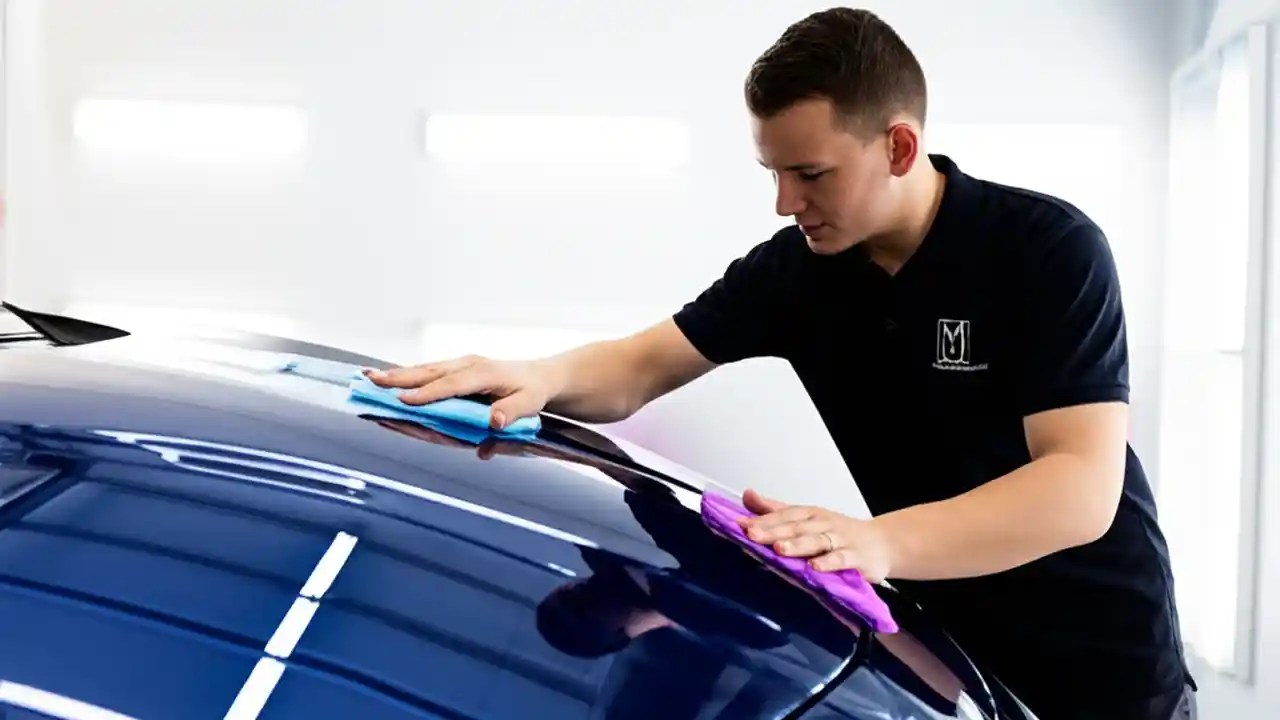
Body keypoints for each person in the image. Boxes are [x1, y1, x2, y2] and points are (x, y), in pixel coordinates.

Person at [367, 8, 1195, 719]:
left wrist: (875, 542)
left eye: (810, 174)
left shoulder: (1046, 250)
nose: (785, 202)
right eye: (773, 173)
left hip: (1106, 669)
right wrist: (538, 377)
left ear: (899, 146)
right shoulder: (798, 273)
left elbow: (1078, 490)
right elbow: (637, 368)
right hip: (946, 660)